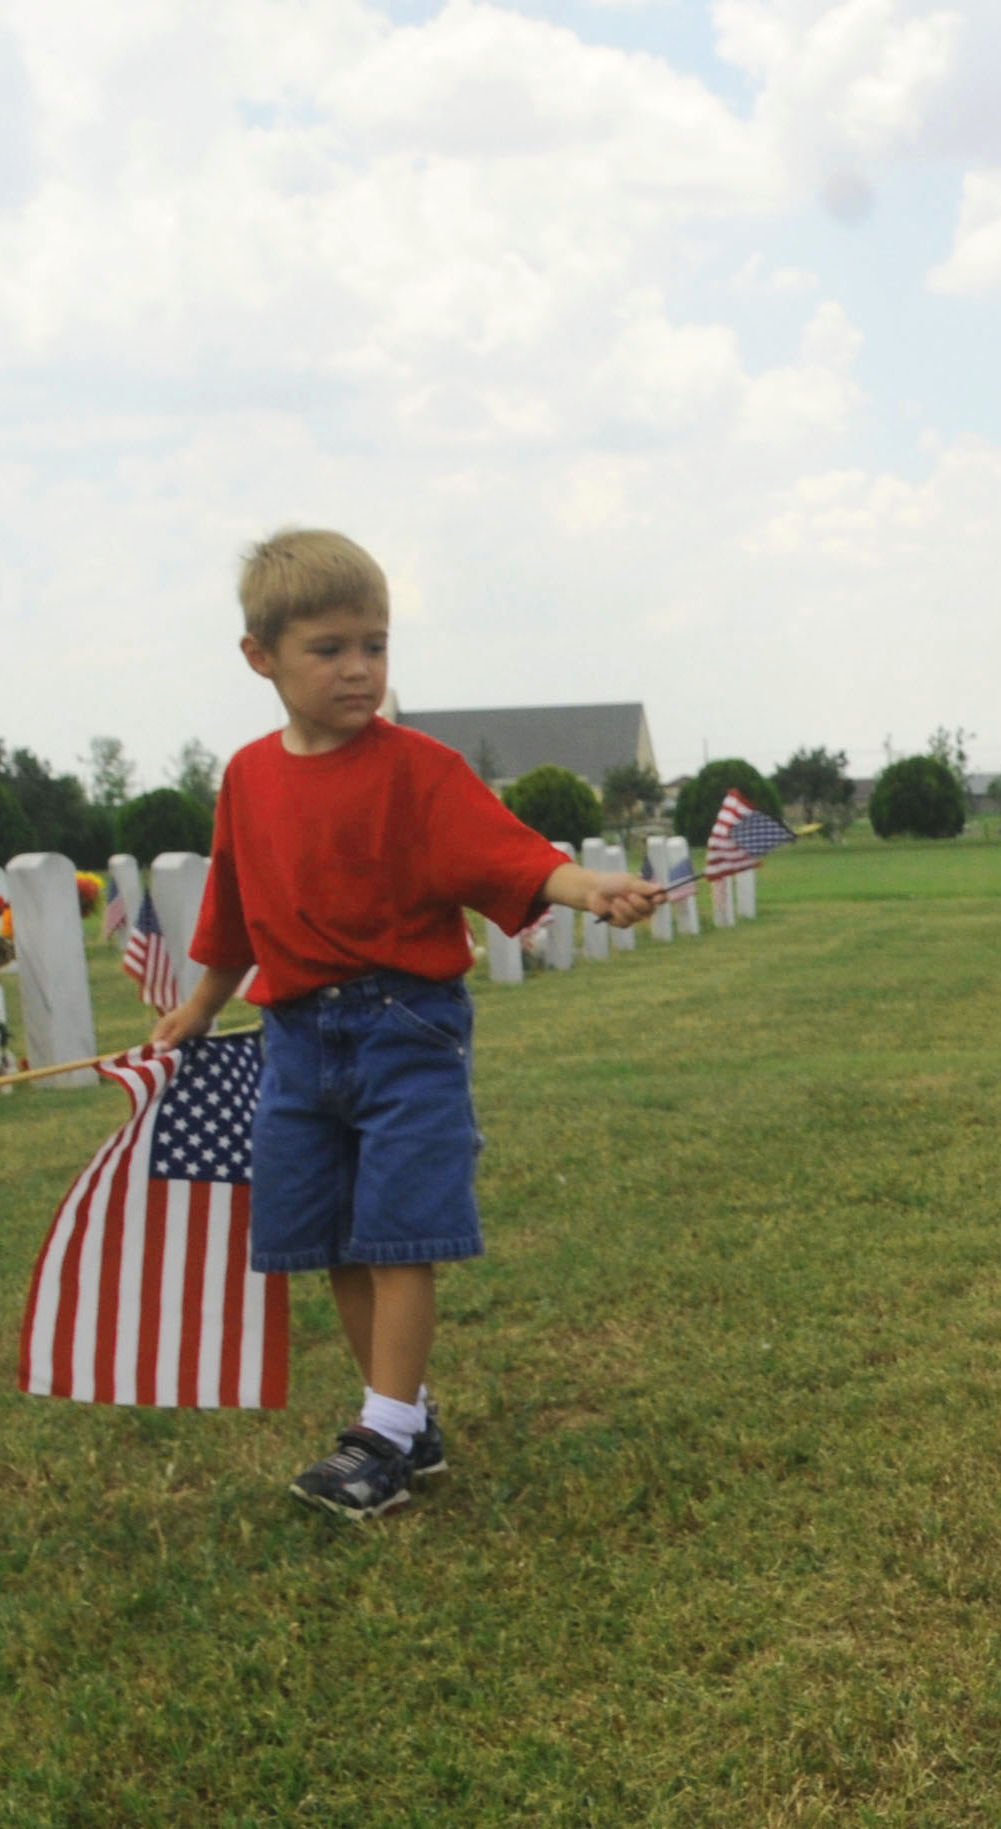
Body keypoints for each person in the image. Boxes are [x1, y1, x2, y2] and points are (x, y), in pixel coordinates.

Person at [149, 528, 666, 1520]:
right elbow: (235, 908)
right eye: (330, 648)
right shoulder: (249, 778)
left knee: (398, 1234)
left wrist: (588, 884)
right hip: (295, 1041)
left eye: (375, 646)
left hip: (404, 1029)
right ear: (260, 656)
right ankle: (403, 1418)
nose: (359, 670)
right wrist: (202, 1003)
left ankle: (379, 1434)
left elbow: (506, 856)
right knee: (333, 1238)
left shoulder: (417, 768)